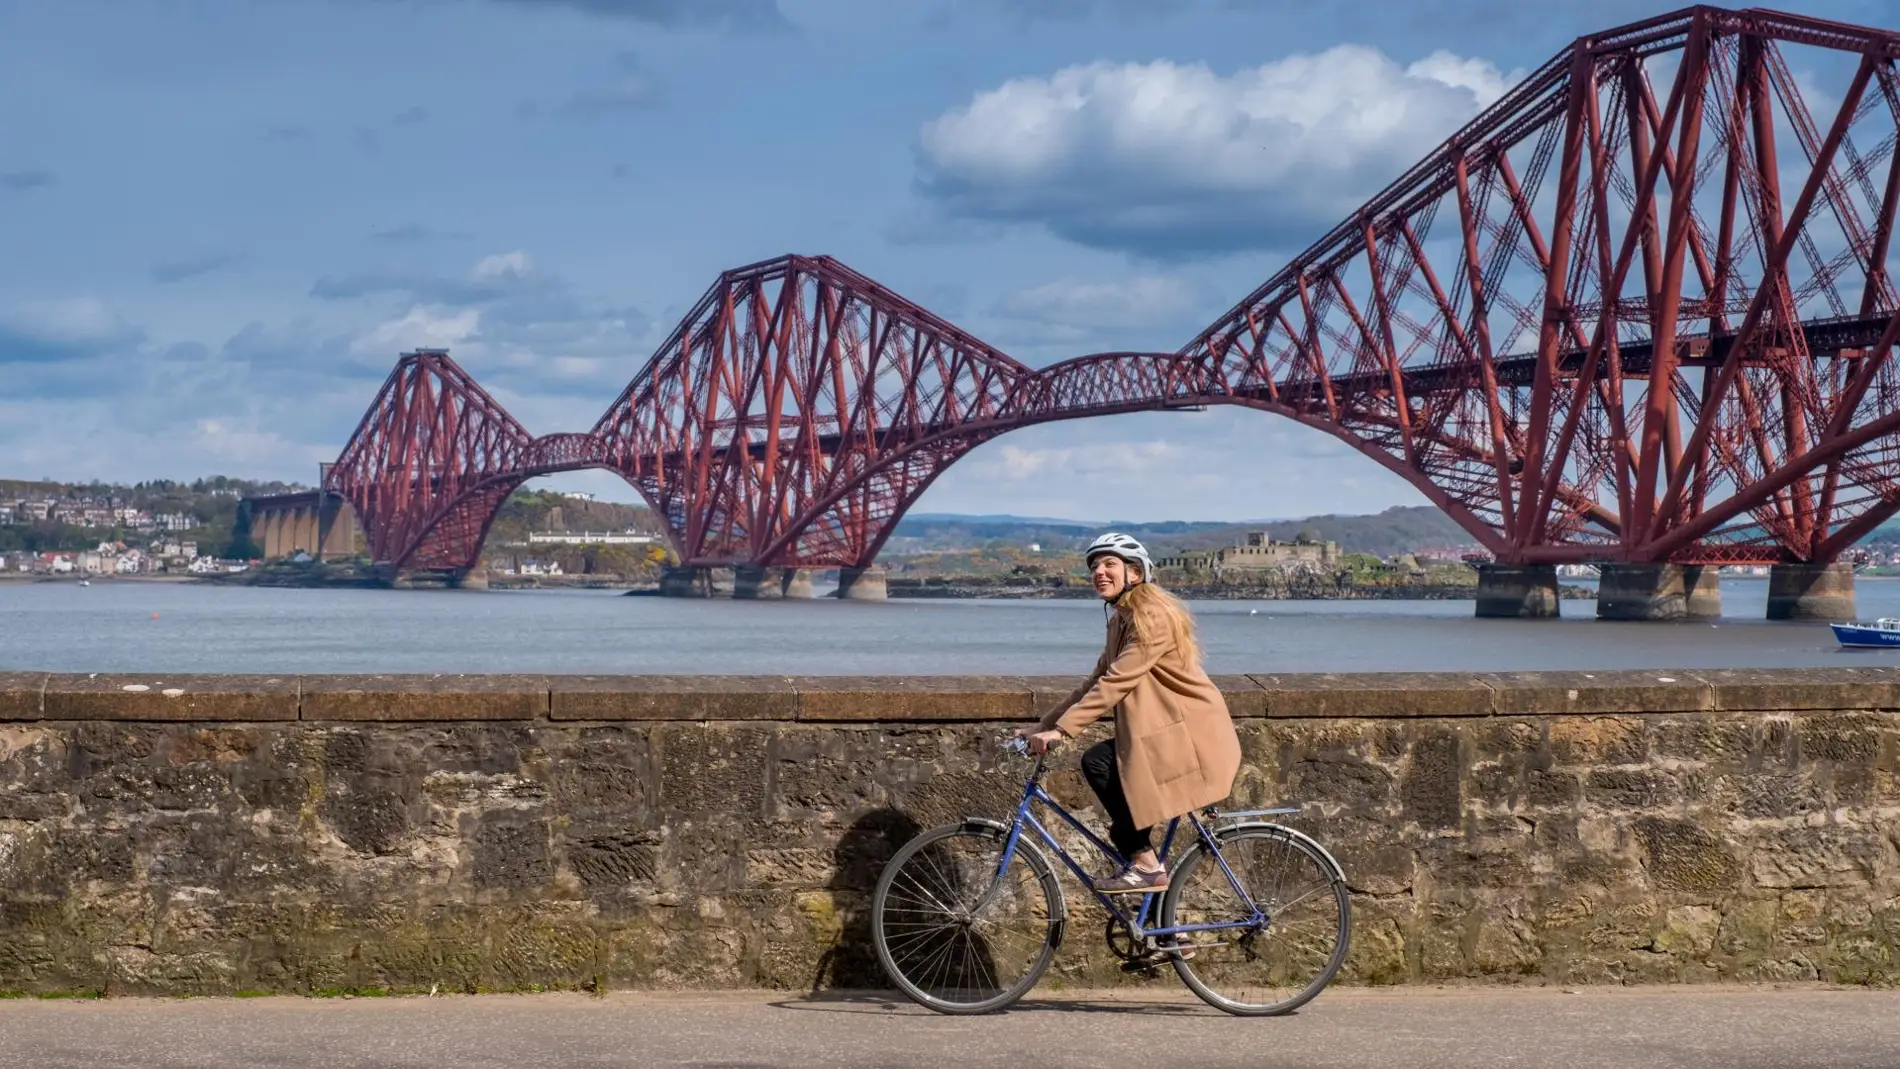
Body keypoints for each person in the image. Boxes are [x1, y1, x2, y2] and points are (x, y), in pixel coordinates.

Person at [1015, 532, 1242, 894]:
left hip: (1190, 738)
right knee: (1126, 815)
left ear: (1134, 573)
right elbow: (1094, 682)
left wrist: (1062, 732)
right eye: (1094, 567)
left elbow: (1117, 682)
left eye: (1109, 564)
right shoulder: (1121, 619)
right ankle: (1167, 933)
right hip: (1166, 735)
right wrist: (1041, 726)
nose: (1099, 573)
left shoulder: (1151, 617)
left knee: (1102, 769)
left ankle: (1147, 867)